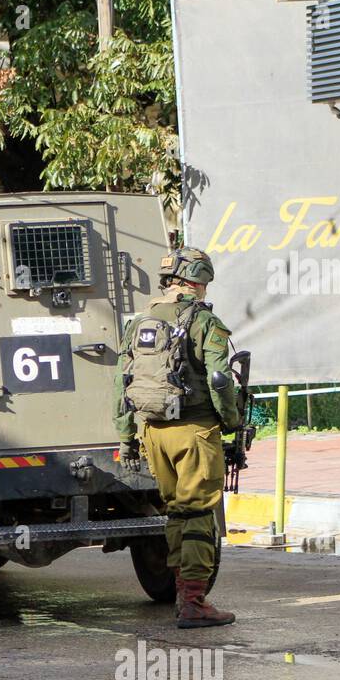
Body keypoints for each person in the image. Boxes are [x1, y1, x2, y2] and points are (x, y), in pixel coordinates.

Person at [114, 247, 243, 629]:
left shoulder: (140, 323)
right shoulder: (204, 321)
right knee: (199, 512)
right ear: (197, 280)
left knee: (176, 511)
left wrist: (125, 438)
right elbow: (219, 380)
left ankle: (181, 592)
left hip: (153, 432)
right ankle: (193, 601)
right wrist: (230, 419)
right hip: (195, 431)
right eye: (203, 281)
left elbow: (122, 383)